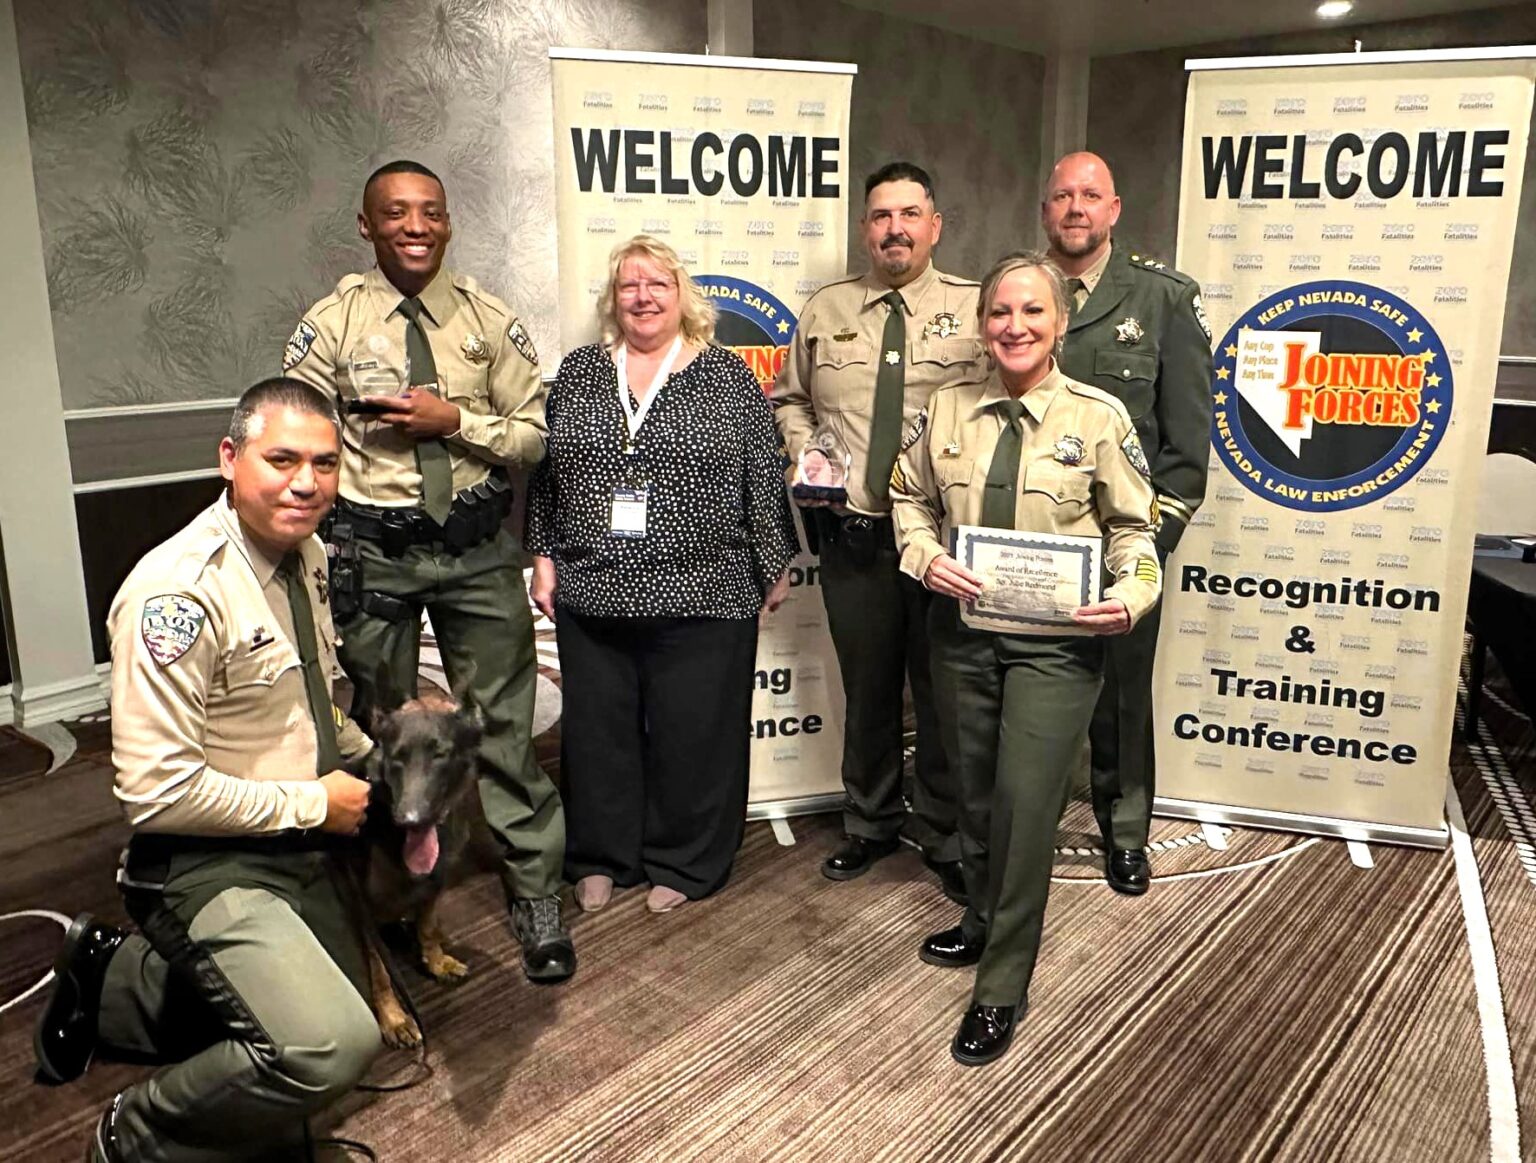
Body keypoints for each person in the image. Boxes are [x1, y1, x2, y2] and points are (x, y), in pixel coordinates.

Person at [33, 380, 380, 1160]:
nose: (306, 482)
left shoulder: (306, 552)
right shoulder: (178, 591)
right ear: (229, 458)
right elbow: (156, 794)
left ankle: (111, 982)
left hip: (292, 832)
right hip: (200, 856)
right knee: (327, 1045)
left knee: (350, 1009)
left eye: (324, 463)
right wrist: (312, 804)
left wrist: (368, 757)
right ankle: (139, 1135)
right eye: (281, 458)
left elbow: (311, 695)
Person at [283, 160, 574, 980]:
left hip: (479, 551)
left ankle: (535, 892)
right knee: (379, 737)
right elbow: (296, 434)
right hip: (374, 553)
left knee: (504, 731)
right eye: (396, 214)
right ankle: (382, 901)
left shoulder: (488, 320)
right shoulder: (332, 326)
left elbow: (532, 435)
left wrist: (458, 421)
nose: (416, 226)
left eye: (431, 213)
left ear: (448, 224)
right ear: (367, 226)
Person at [890, 253, 1162, 1066]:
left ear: (1059, 324)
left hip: (1057, 649)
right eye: (1000, 312)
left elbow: (1135, 532)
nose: (1014, 326)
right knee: (972, 790)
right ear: (983, 325)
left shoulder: (1100, 416)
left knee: (1023, 803)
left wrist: (1134, 593)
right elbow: (908, 496)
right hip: (964, 634)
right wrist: (922, 555)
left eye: (1031, 312)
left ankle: (1002, 982)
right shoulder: (945, 409)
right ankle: (979, 916)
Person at [526, 236, 799, 914]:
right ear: (613, 299)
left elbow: (761, 472)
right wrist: (542, 554)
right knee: (597, 735)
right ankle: (601, 854)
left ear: (683, 297)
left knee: (695, 735)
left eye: (658, 284)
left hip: (706, 588)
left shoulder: (726, 375)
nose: (643, 297)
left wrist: (775, 561)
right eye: (629, 285)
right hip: (594, 587)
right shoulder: (582, 371)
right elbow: (546, 472)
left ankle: (685, 858)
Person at [773, 161, 984, 900]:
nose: (894, 228)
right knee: (866, 691)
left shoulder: (977, 306)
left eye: (909, 214)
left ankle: (945, 832)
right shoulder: (827, 308)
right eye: (880, 216)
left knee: (941, 695)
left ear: (935, 224)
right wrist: (806, 449)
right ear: (865, 228)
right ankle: (868, 822)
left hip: (943, 545)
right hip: (856, 539)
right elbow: (791, 399)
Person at [1043, 151, 1214, 895]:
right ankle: (1024, 825)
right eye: (1061, 197)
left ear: (1115, 209)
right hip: (1033, 543)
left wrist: (1150, 545)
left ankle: (1125, 831)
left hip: (1121, 544)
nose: (1075, 208)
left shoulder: (1164, 298)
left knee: (1121, 696)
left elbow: (1187, 442)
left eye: (1090, 195)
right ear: (1045, 211)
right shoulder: (1022, 290)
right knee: (1029, 692)